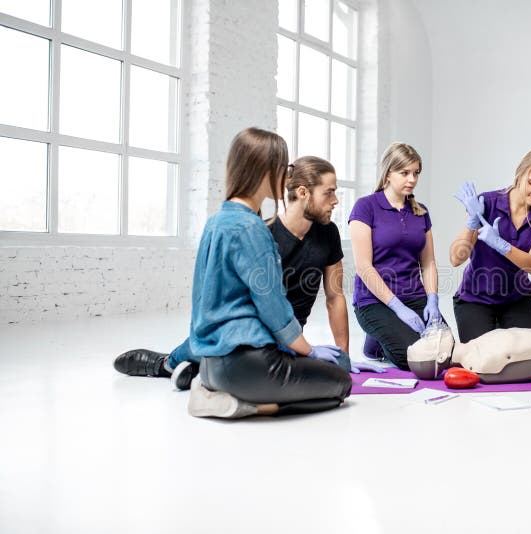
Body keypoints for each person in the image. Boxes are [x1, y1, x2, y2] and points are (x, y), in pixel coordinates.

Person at [113, 156, 380, 389]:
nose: (335, 201)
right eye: (329, 193)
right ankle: (167, 363)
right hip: (252, 332)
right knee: (220, 344)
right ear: (303, 192)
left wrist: (344, 356)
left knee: (334, 368)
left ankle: (202, 370)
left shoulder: (329, 233)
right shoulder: (262, 233)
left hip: (290, 336)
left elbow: (334, 297)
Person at [185, 127, 354, 418]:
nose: (287, 178)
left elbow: (200, 298)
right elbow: (273, 306)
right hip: (247, 364)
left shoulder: (216, 222)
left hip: (211, 364)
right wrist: (309, 350)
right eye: (283, 168)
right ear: (265, 171)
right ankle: (241, 405)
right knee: (341, 383)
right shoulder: (254, 229)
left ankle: (211, 389)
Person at [349, 142, 442, 370]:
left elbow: (428, 263)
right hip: (374, 300)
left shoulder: (421, 211)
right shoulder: (365, 207)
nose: (412, 179)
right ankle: (376, 342)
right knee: (412, 358)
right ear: (388, 173)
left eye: (416, 173)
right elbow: (363, 267)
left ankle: (385, 332)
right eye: (405, 173)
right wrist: (398, 307)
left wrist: (432, 299)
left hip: (414, 296)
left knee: (443, 351)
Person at [449, 148, 531, 343]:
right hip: (475, 299)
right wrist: (473, 221)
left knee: (528, 356)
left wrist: (502, 245)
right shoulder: (487, 203)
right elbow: (456, 259)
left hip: (517, 299)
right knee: (483, 358)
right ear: (519, 175)